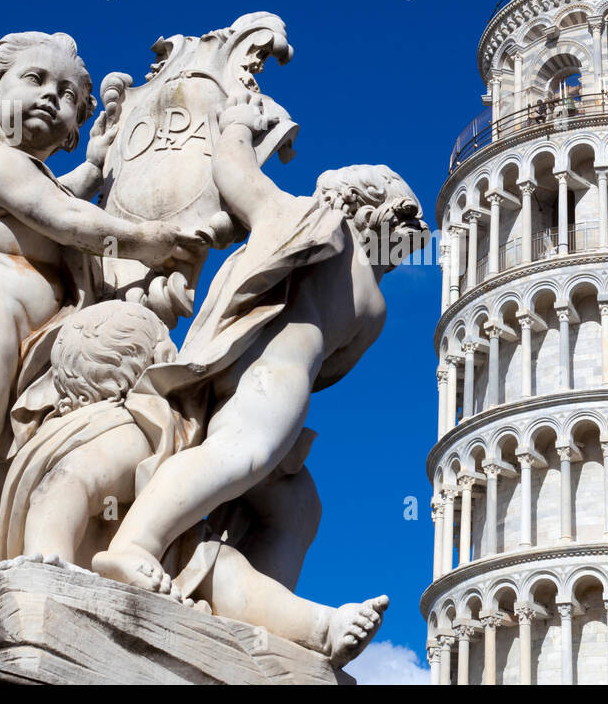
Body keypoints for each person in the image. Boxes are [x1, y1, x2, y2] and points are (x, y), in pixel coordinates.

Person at [0, 32, 201, 582]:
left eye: (69, 93)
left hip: (51, 331)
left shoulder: (36, 176)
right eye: (35, 79)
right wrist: (153, 237)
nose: (53, 95)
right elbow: (70, 220)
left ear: (74, 125)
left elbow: (61, 195)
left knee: (7, 461)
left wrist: (96, 167)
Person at [92, 95, 430, 608]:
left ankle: (250, 611)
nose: (405, 248)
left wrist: (239, 129)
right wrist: (236, 124)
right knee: (240, 455)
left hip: (267, 378)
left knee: (296, 506)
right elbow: (334, 368)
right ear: (374, 214)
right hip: (277, 380)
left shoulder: (358, 281)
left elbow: (241, 180)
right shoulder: (331, 239)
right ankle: (134, 544)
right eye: (404, 230)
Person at [0, 299, 387, 668]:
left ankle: (320, 626)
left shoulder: (147, 431)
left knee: (221, 566)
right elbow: (63, 485)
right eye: (170, 351)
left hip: (157, 563)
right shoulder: (123, 431)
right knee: (224, 569)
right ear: (156, 363)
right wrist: (50, 556)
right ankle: (319, 626)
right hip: (88, 565)